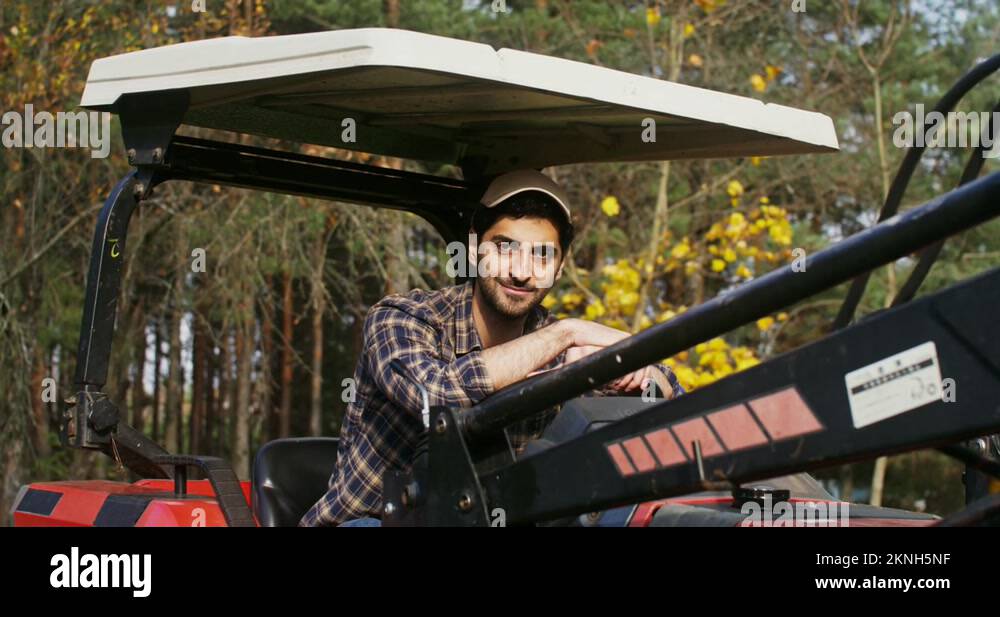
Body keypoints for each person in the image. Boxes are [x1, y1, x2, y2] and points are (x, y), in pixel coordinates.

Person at [300, 169, 683, 527]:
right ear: (474, 248)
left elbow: (671, 398)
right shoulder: (402, 319)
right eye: (505, 247)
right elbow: (436, 396)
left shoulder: (565, 349)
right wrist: (566, 334)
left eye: (542, 255)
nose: (520, 270)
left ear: (561, 267)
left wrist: (643, 376)